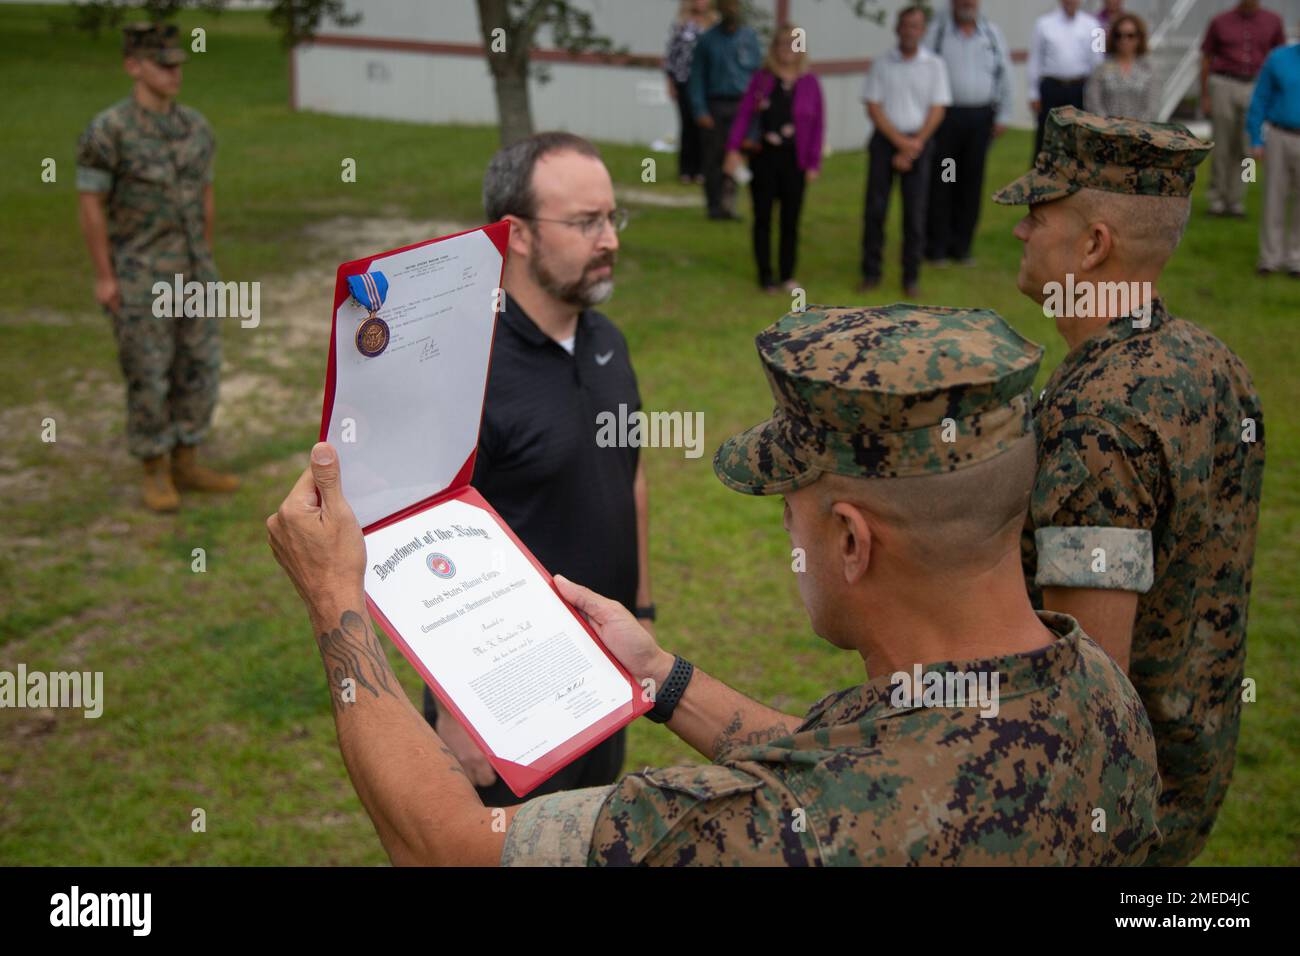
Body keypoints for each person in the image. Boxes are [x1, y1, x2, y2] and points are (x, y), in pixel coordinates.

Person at [267, 304, 1163, 867]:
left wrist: (337, 604)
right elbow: (853, 752)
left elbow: (447, 848)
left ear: (850, 541)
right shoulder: (1099, 697)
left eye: (791, 510)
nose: (786, 531)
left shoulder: (787, 829)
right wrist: (661, 677)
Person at [994, 106, 1266, 866]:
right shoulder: (1209, 362)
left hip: (1103, 814)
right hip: (1183, 775)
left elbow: (1092, 678)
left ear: (1093, 245)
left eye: (1037, 213)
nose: (1021, 230)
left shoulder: (1101, 419)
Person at [410, 132, 652, 807]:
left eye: (612, 217)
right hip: (503, 694)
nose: (609, 239)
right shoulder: (466, 371)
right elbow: (420, 552)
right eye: (584, 222)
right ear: (515, 234)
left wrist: (643, 610)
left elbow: (630, 476)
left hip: (605, 666)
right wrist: (453, 709)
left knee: (587, 837)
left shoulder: (608, 341)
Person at [76, 22, 239, 513]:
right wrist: (106, 276)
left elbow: (206, 195)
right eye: (162, 65)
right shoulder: (109, 132)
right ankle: (154, 468)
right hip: (140, 276)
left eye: (177, 65)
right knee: (149, 375)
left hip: (194, 274)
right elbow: (91, 204)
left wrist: (205, 259)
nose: (173, 73)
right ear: (134, 66)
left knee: (200, 368)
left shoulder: (195, 127)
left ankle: (187, 459)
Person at [724, 24, 824, 293]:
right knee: (763, 217)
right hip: (764, 157)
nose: (787, 50)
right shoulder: (762, 79)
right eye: (781, 44)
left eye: (793, 44)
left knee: (791, 219)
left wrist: (814, 162)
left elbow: (818, 125)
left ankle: (787, 274)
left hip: (795, 159)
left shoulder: (809, 83)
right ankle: (765, 275)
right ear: (774, 48)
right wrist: (733, 148)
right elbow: (745, 115)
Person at [860, 5, 951, 297]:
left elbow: (939, 108)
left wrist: (914, 145)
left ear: (923, 31)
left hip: (919, 142)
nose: (910, 31)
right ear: (897, 28)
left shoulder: (934, 64)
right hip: (886, 142)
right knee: (876, 209)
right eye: (906, 25)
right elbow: (873, 106)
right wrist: (900, 143)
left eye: (916, 26)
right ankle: (871, 272)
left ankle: (910, 277)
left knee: (914, 213)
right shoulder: (882, 63)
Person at [923, 0, 1013, 267]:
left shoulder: (991, 34)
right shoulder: (938, 34)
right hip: (947, 120)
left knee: (971, 183)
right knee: (944, 180)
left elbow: (1005, 74)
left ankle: (962, 247)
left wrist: (1004, 114)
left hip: (979, 120)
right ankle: (937, 246)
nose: (966, 3)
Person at [1200, 0, 1286, 217]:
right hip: (1224, 83)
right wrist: (1205, 94)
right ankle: (1217, 198)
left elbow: (1280, 60)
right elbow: (1206, 59)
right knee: (1221, 144)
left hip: (1256, 85)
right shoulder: (1220, 21)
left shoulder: (1274, 21)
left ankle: (1237, 198)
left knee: (1247, 147)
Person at [687, 0, 762, 220]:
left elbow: (757, 75)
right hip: (716, 104)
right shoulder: (707, 40)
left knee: (736, 157)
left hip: (742, 104)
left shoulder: (749, 38)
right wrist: (700, 110)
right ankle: (713, 206)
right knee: (713, 157)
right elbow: (697, 78)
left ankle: (729, 205)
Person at [1247, 30, 1300, 275]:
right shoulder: (1278, 59)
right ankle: (1269, 257)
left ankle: (1296, 258)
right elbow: (1260, 99)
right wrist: (1257, 138)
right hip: (1280, 134)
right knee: (1274, 196)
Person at [1028, 0, 1105, 158]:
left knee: (1078, 137)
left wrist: (1097, 94)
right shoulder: (1043, 23)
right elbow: (1035, 59)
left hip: (1079, 89)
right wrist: (1033, 93)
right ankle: (1041, 175)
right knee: (1045, 136)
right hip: (1051, 88)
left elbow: (1099, 62)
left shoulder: (1095, 25)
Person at [665, 0, 717, 185]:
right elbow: (672, 54)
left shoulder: (714, 25)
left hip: (706, 83)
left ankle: (703, 170)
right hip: (684, 80)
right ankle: (686, 170)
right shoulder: (681, 25)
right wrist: (670, 81)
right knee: (687, 125)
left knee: (703, 125)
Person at [1085, 13, 1159, 121]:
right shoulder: (1101, 69)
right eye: (1118, 35)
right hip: (1106, 132)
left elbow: (1153, 106)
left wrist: (1135, 129)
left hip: (1140, 133)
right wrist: (1109, 127)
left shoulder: (1150, 69)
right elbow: (1092, 103)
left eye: (1130, 35)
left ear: (1139, 38)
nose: (1124, 40)